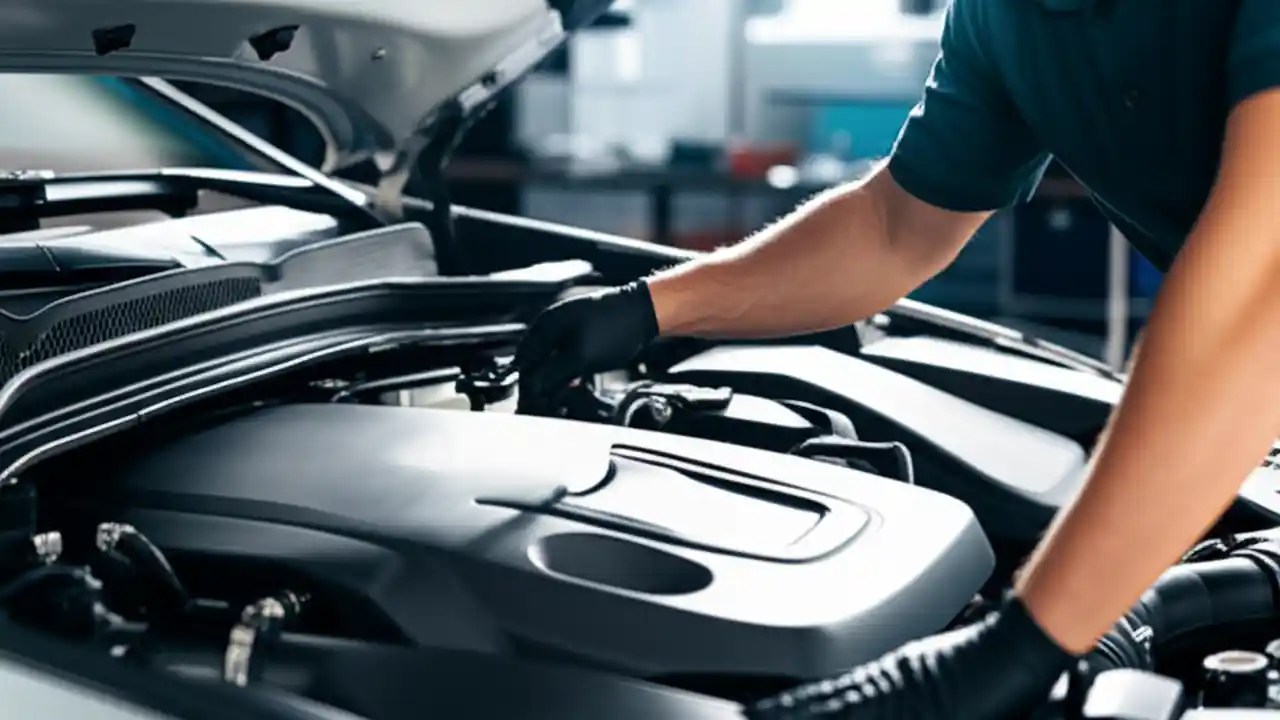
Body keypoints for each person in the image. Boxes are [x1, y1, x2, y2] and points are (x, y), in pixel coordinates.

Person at [516, 0, 1280, 716]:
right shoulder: (1002, 18)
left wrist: (1021, 646)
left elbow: (1262, 292)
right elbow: (894, 228)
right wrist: (652, 308)